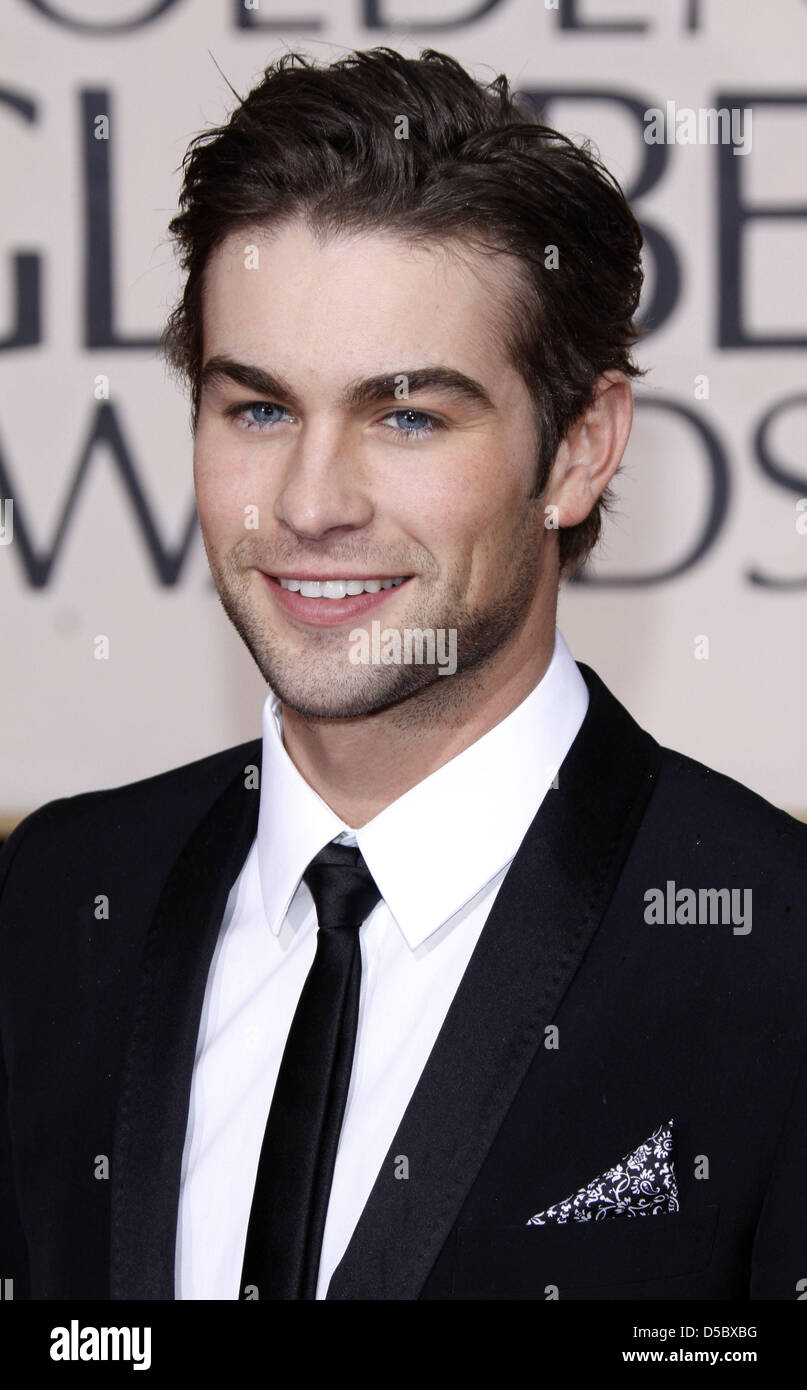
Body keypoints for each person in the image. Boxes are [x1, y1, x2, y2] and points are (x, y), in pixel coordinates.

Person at [1, 46, 805, 1302]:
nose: (311, 503)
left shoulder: (774, 952)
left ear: (579, 451)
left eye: (408, 416)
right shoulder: (51, 904)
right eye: (258, 409)